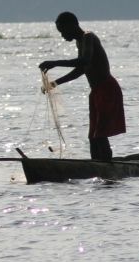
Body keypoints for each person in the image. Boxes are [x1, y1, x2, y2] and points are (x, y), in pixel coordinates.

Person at [38, 12, 125, 160]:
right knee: (93, 135)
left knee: (100, 134)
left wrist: (54, 62)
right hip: (96, 92)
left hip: (107, 89)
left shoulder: (88, 37)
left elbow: (84, 61)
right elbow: (80, 70)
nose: (62, 35)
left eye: (63, 31)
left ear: (72, 25)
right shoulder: (80, 42)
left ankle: (107, 167)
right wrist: (54, 83)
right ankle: (96, 165)